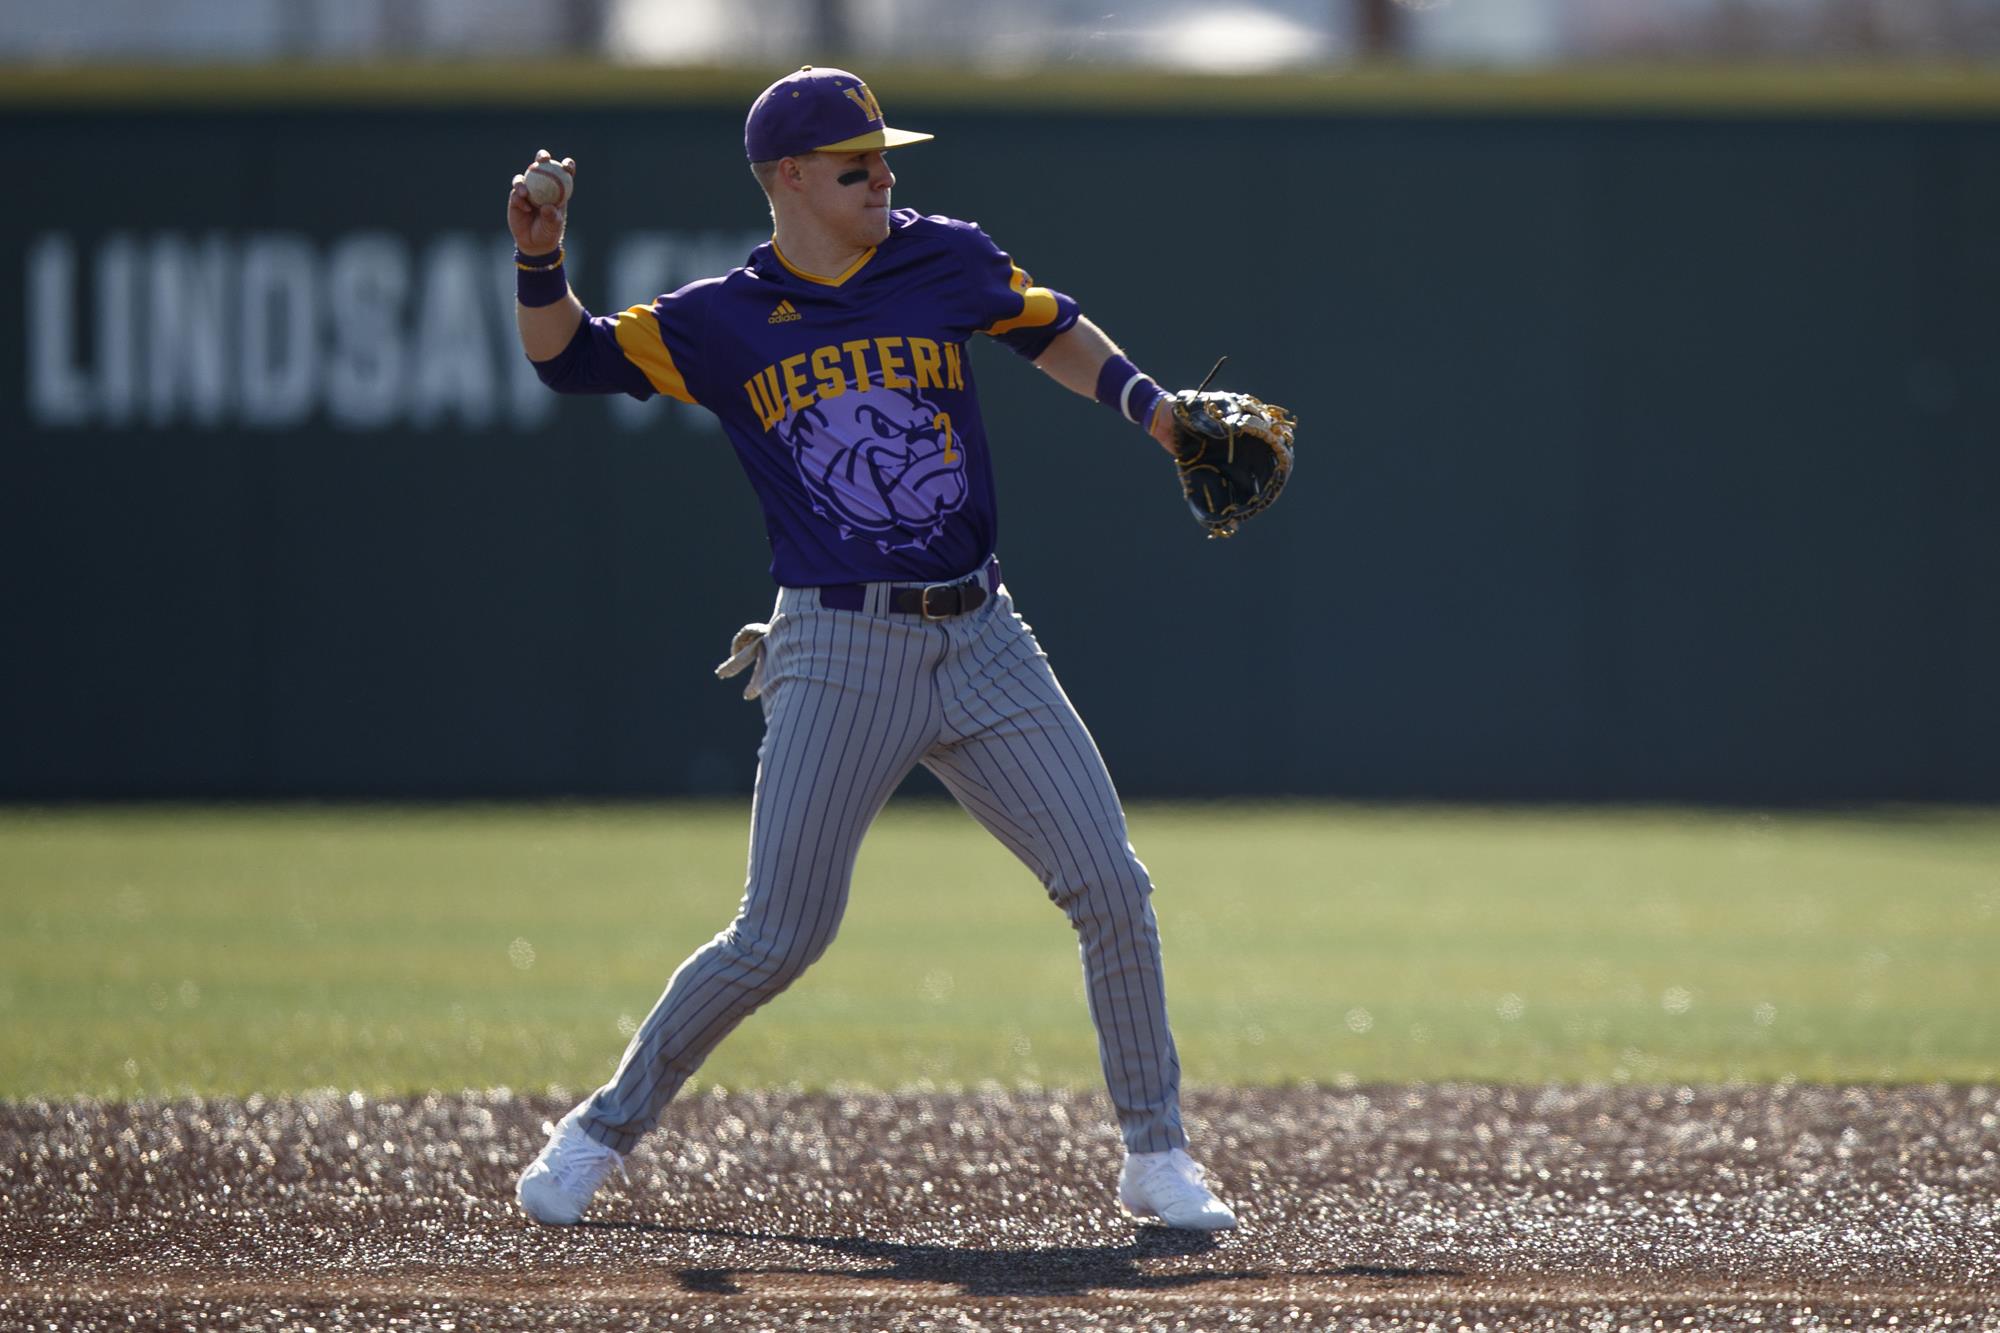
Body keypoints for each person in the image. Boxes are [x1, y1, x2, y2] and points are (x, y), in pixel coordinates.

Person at [508, 66, 1237, 1232]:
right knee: (779, 935)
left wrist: (1156, 413)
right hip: (839, 643)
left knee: (1110, 883)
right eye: (857, 165)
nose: (883, 178)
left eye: (887, 157)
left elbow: (1046, 328)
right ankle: (601, 1126)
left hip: (983, 632)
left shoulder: (938, 255)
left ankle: (1157, 1155)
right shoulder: (718, 320)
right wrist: (538, 256)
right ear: (788, 179)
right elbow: (565, 357)